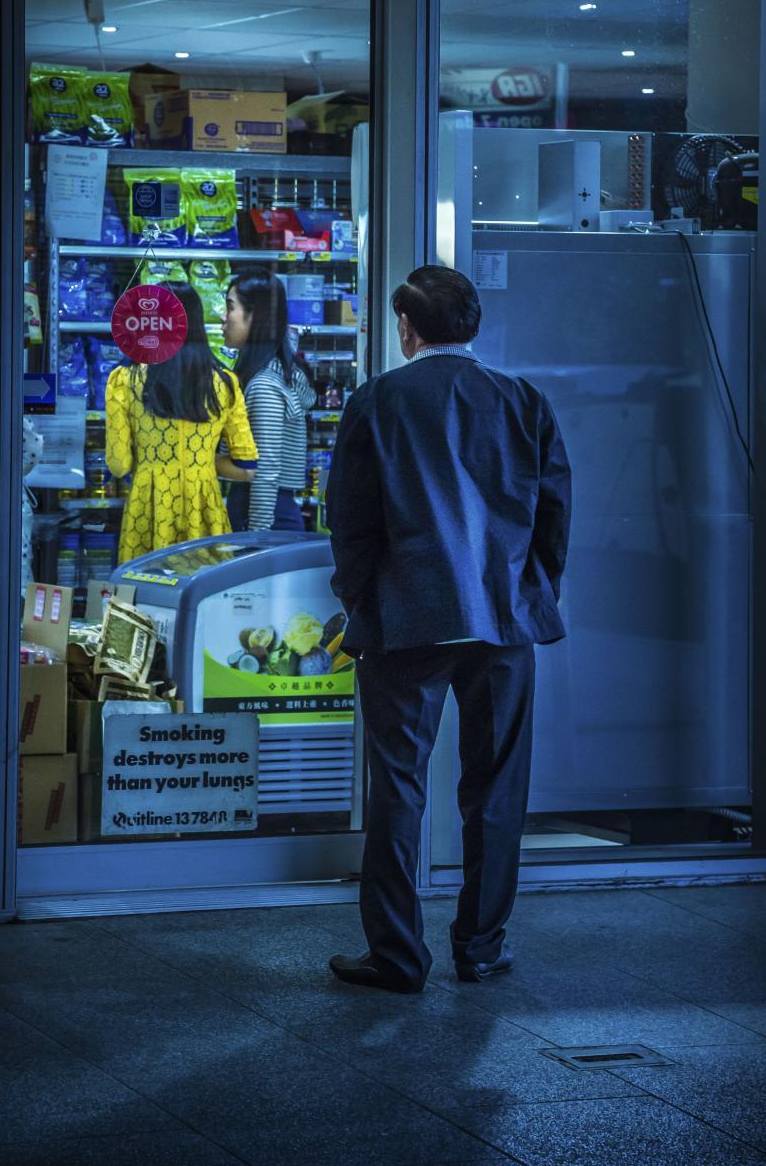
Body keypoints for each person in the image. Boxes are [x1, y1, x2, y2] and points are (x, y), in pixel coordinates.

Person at [325, 265, 572, 995]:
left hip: (406, 621)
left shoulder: (378, 401)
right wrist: (532, 594)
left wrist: (362, 602)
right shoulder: (523, 400)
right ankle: (483, 945)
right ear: (472, 326)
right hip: (503, 622)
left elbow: (351, 522)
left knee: (398, 788)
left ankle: (399, 955)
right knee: (496, 790)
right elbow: (554, 513)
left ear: (407, 327)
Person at [106, 283, 258, 564]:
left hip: (149, 505)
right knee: (204, 594)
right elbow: (246, 466)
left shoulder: (124, 380)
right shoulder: (224, 382)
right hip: (205, 507)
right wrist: (196, 462)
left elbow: (119, 464)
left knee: (145, 596)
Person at [221, 268, 317, 533]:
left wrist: (258, 536)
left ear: (256, 317)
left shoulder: (265, 386)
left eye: (230, 308)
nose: (223, 317)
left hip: (263, 513)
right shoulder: (278, 375)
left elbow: (265, 469)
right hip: (266, 509)